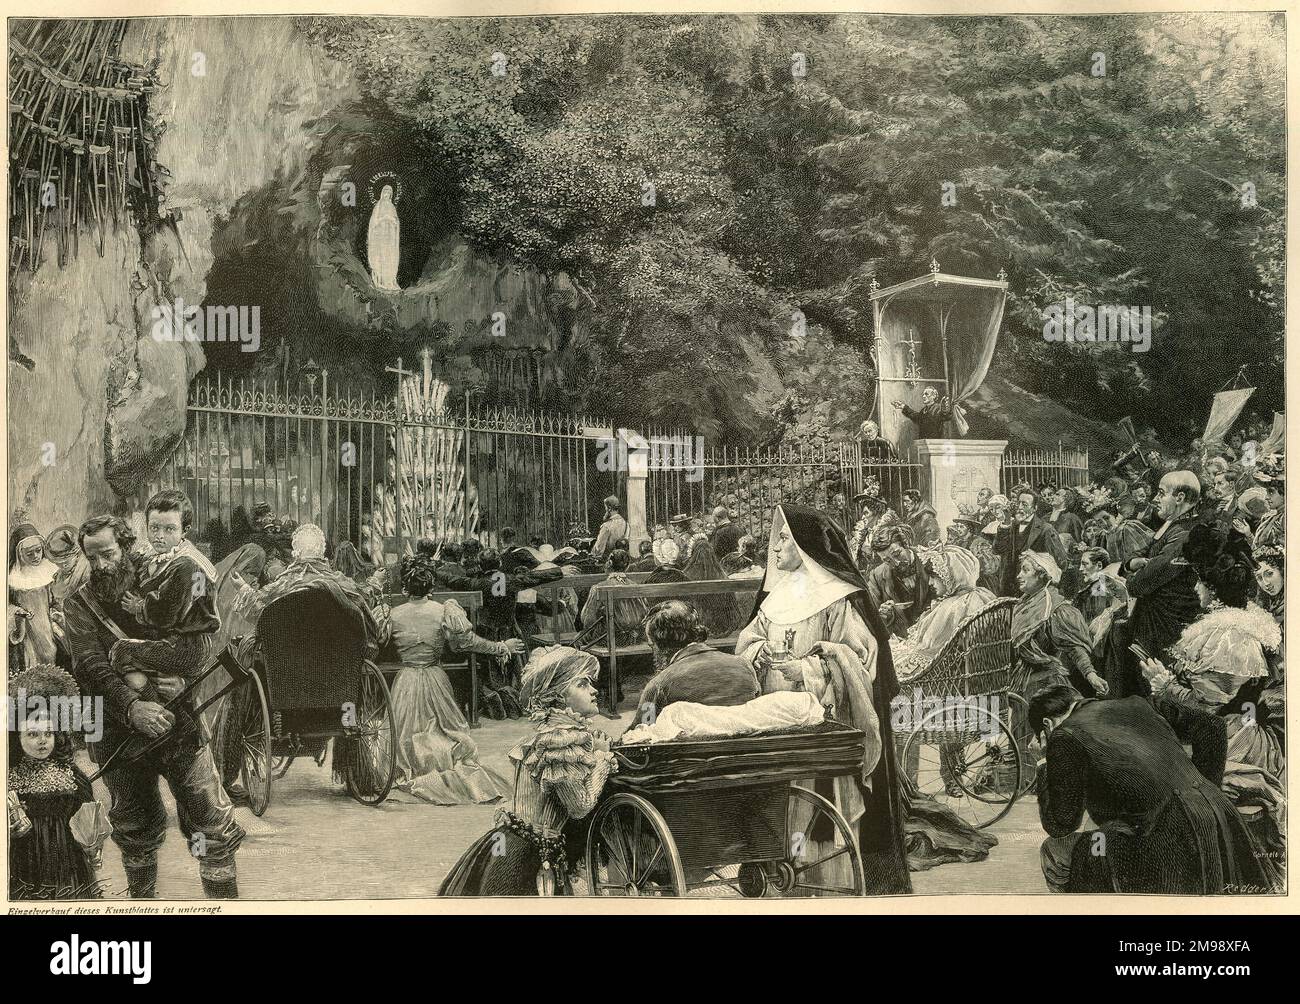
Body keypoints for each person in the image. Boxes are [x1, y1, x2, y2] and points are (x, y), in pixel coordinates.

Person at [63, 515, 244, 898]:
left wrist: (181, 674)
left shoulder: (168, 581)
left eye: (108, 554)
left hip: (179, 724)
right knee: (134, 828)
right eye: (92, 558)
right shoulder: (79, 604)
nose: (100, 566)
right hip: (118, 734)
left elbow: (199, 645)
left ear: (127, 547)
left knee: (210, 824)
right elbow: (90, 666)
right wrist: (131, 707)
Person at [735, 503, 911, 894]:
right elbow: (746, 640)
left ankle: (824, 884)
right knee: (779, 798)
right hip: (776, 718)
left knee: (816, 802)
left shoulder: (838, 598)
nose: (776, 546)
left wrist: (813, 671)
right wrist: (758, 650)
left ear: (806, 545)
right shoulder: (775, 595)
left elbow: (862, 663)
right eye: (777, 537)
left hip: (824, 725)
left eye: (784, 538)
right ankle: (780, 876)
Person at [1032, 683, 1278, 894]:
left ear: (1047, 724)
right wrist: (1200, 790)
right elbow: (1212, 725)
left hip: (1158, 841)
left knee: (1054, 853)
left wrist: (1043, 763)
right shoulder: (1141, 704)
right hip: (1218, 816)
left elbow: (1061, 824)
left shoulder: (1064, 735)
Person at [1137, 522, 1284, 847]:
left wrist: (1164, 684)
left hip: (1230, 741)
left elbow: (1210, 709)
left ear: (1213, 588)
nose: (1195, 591)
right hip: (1238, 728)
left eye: (1199, 583)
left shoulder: (1227, 637)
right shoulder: (1247, 624)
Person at [438, 647, 618, 896]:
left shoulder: (550, 737)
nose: (594, 690)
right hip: (527, 855)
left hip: (512, 844)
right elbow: (579, 806)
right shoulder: (558, 742)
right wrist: (602, 760)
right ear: (559, 696)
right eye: (582, 684)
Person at [387, 556, 523, 804]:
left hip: (405, 681)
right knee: (447, 731)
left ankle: (414, 768)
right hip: (435, 678)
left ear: (405, 588)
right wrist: (502, 646)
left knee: (407, 732)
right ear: (431, 587)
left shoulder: (393, 614)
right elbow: (465, 644)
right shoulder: (443, 611)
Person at [7, 665, 110, 899]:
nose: (42, 741)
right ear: (17, 737)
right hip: (24, 861)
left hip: (68, 862)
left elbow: (88, 818)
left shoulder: (71, 774)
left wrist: (93, 844)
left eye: (48, 733)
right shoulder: (9, 778)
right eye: (32, 734)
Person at [108, 490, 221, 698]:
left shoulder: (187, 564)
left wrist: (139, 607)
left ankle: (153, 706)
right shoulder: (158, 555)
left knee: (120, 652)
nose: (159, 536)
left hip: (187, 646)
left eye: (169, 529)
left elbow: (165, 613)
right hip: (176, 638)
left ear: (184, 531)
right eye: (154, 528)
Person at [1105, 471, 1203, 698]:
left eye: (1161, 493)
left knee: (1150, 685)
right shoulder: (1171, 524)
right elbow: (1141, 553)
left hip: (1167, 623)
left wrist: (1131, 575)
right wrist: (1131, 564)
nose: (1155, 498)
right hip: (1151, 617)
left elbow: (1144, 582)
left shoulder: (1186, 533)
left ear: (1179, 498)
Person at [435, 548, 564, 717]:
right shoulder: (510, 580)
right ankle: (515, 700)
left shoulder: (476, 582)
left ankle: (495, 699)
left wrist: (435, 571)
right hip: (509, 630)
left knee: (487, 672)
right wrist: (560, 570)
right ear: (500, 563)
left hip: (485, 633)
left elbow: (453, 580)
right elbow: (536, 577)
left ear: (481, 565)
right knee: (516, 670)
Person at [632, 600, 760, 722]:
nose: (653, 651)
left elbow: (641, 732)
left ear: (662, 644)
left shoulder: (659, 684)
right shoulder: (744, 666)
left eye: (652, 645)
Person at [1012, 552, 1108, 700]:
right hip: (1021, 684)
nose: (1018, 575)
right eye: (1020, 570)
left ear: (1042, 575)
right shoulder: (1023, 604)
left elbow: (1074, 648)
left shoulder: (1057, 609)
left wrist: (1091, 676)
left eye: (1025, 570)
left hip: (1045, 687)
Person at [891, 547, 996, 681]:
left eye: (935, 577)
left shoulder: (956, 606)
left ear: (952, 576)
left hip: (952, 671)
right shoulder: (981, 596)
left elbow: (935, 649)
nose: (930, 582)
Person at [991, 487, 1068, 597]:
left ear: (1034, 508)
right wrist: (1006, 523)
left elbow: (1061, 562)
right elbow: (997, 549)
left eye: (1025, 504)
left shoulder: (1046, 529)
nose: (1020, 508)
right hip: (1008, 589)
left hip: (1033, 592)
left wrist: (1038, 559)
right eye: (1018, 503)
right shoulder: (1009, 526)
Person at [8, 519, 60, 678]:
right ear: (19, 554)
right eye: (29, 553)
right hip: (26, 629)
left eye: (38, 550)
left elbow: (55, 599)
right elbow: (6, 605)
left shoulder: (50, 570)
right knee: (29, 659)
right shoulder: (11, 578)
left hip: (47, 626)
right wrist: (18, 612)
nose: (36, 556)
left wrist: (55, 611)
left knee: (51, 653)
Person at [866, 524, 933, 639]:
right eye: (887, 560)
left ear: (905, 544)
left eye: (897, 554)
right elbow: (871, 618)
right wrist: (884, 615)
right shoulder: (877, 576)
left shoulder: (932, 561)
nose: (896, 563)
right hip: (903, 642)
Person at [681, 538, 743, 638]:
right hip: (721, 628)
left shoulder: (687, 574)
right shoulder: (721, 575)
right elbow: (732, 610)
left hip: (694, 628)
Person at [1072, 546, 1128, 655]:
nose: (1080, 569)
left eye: (1084, 564)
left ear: (1099, 566)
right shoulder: (1096, 587)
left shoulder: (1100, 589)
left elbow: (1092, 625)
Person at [947, 515, 999, 593]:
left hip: (980, 580)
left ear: (969, 528)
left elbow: (991, 566)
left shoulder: (979, 542)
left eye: (962, 527)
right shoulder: (958, 542)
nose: (958, 529)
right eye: (957, 526)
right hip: (962, 581)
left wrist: (979, 558)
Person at [592, 496, 628, 562]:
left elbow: (598, 549)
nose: (604, 510)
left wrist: (592, 554)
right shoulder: (626, 524)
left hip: (608, 562)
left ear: (609, 508)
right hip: (623, 560)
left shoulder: (606, 526)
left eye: (605, 508)